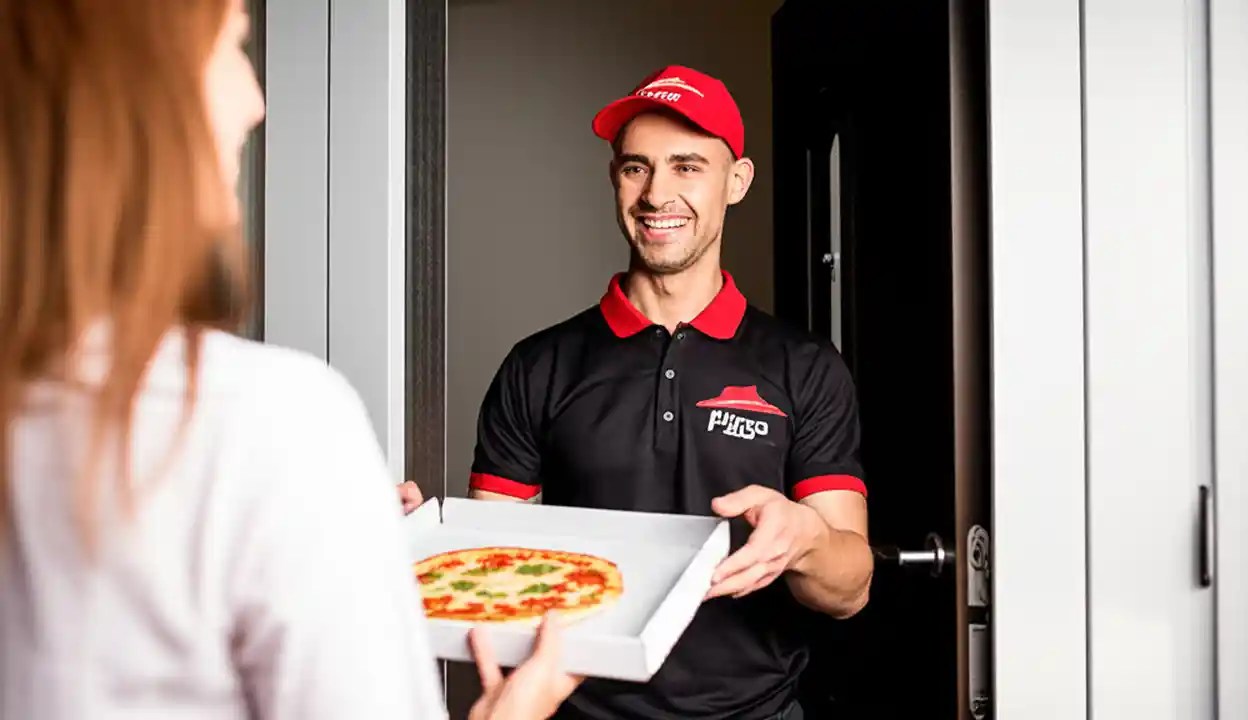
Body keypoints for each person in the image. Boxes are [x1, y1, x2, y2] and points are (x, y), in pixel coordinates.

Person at [0, 2, 577, 718]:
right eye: (232, 47)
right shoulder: (273, 421)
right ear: (141, 92)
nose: (255, 101)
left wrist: (329, 520)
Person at [458, 65, 875, 719]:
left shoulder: (806, 366)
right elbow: (491, 573)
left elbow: (850, 589)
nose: (656, 195)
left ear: (736, 181)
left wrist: (810, 540)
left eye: (687, 167)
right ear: (614, 178)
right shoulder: (537, 366)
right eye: (636, 168)